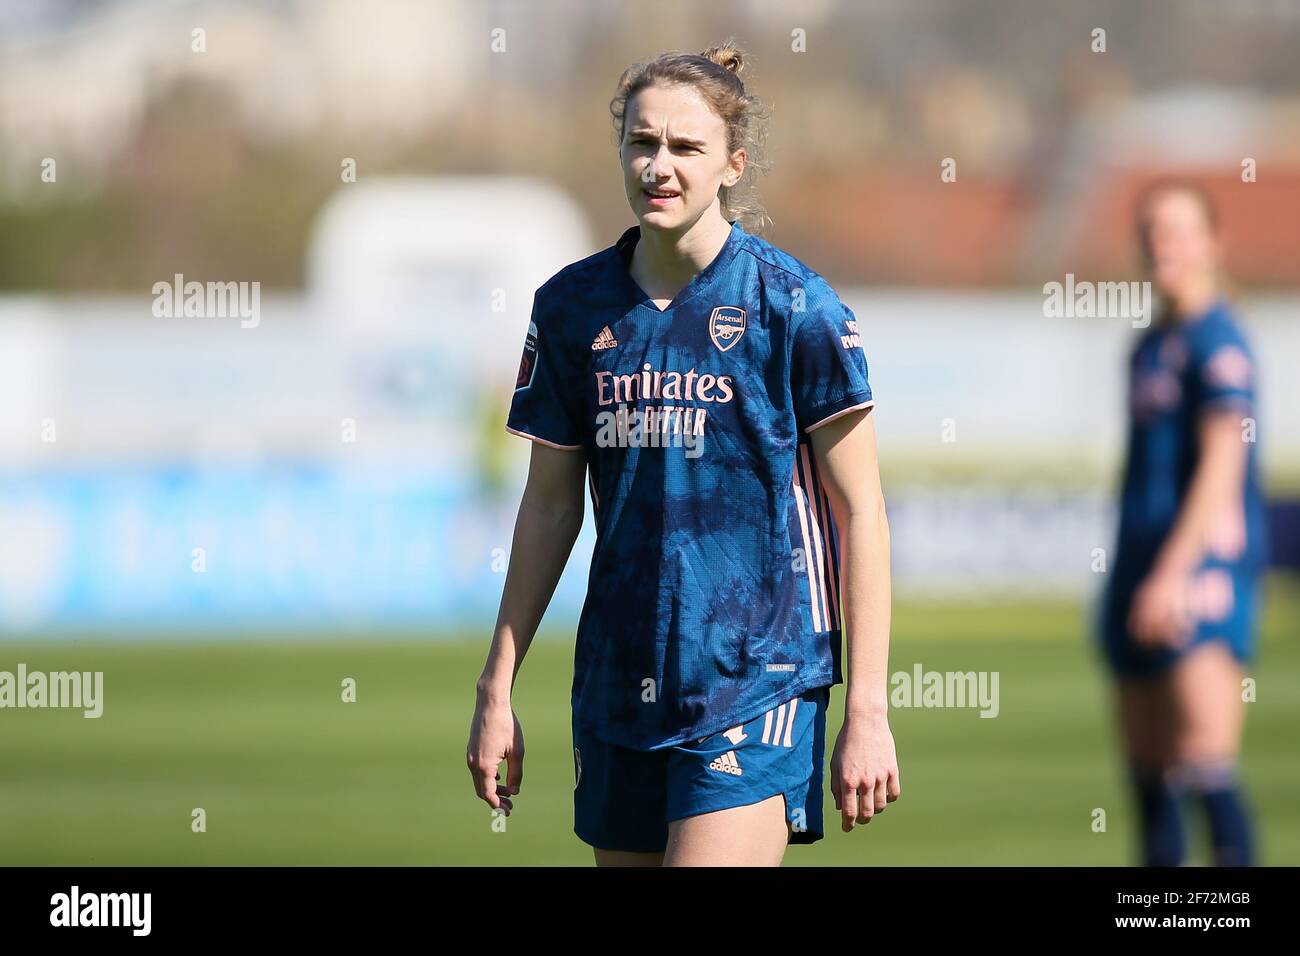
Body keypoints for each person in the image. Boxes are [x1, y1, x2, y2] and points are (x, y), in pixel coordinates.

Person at [467, 41, 898, 866]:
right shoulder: (570, 307)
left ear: (733, 164)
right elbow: (552, 504)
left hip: (755, 678)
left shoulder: (794, 307)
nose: (658, 166)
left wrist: (867, 710)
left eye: (686, 148)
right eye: (642, 142)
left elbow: (861, 510)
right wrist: (497, 686)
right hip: (616, 683)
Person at [1101, 182, 1266, 866]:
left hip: (1197, 573)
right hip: (1138, 568)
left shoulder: (1219, 341)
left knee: (1204, 759)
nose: (1159, 245)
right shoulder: (1150, 345)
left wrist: (1173, 573)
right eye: (1151, 231)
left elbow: (1224, 463)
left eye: (1175, 231)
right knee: (1150, 772)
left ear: (1210, 244)